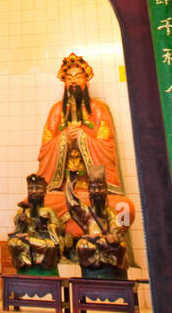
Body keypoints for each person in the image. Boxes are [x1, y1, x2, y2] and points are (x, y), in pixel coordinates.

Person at [37, 54, 134, 253]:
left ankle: (105, 237)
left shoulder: (99, 109)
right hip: (64, 192)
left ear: (86, 80)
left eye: (78, 76)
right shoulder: (56, 111)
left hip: (94, 192)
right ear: (64, 83)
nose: (73, 81)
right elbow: (45, 149)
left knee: (125, 208)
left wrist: (82, 138)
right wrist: (64, 139)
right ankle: (85, 235)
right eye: (69, 78)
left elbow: (106, 146)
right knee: (39, 206)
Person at [65, 167, 128, 276]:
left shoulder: (110, 212)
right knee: (82, 245)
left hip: (106, 245)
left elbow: (116, 230)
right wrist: (71, 180)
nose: (97, 191)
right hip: (91, 246)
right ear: (88, 190)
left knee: (121, 246)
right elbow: (71, 203)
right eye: (93, 188)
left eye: (100, 188)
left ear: (106, 190)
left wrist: (105, 238)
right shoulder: (85, 211)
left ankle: (109, 265)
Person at [7, 174, 64, 274]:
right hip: (25, 240)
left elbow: (58, 226)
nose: (33, 191)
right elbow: (17, 227)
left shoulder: (48, 210)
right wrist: (20, 220)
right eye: (31, 188)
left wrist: (47, 226)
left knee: (51, 246)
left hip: (41, 240)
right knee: (13, 243)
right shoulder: (23, 210)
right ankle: (24, 264)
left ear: (44, 192)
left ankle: (44, 265)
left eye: (37, 188)